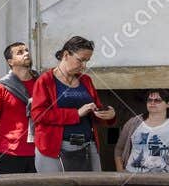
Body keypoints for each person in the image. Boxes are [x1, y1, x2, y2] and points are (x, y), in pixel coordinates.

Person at [31, 35, 115, 172]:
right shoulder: (45, 80)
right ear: (65, 55)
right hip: (54, 149)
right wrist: (76, 114)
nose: (84, 66)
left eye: (87, 61)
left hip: (88, 146)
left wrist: (108, 115)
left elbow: (96, 111)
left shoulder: (86, 80)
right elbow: (38, 115)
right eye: (81, 60)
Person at [0, 42, 38, 175]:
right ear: (10, 61)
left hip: (40, 152)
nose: (26, 53)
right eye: (20, 52)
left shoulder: (41, 83)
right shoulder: (0, 88)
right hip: (9, 153)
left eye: (26, 50)